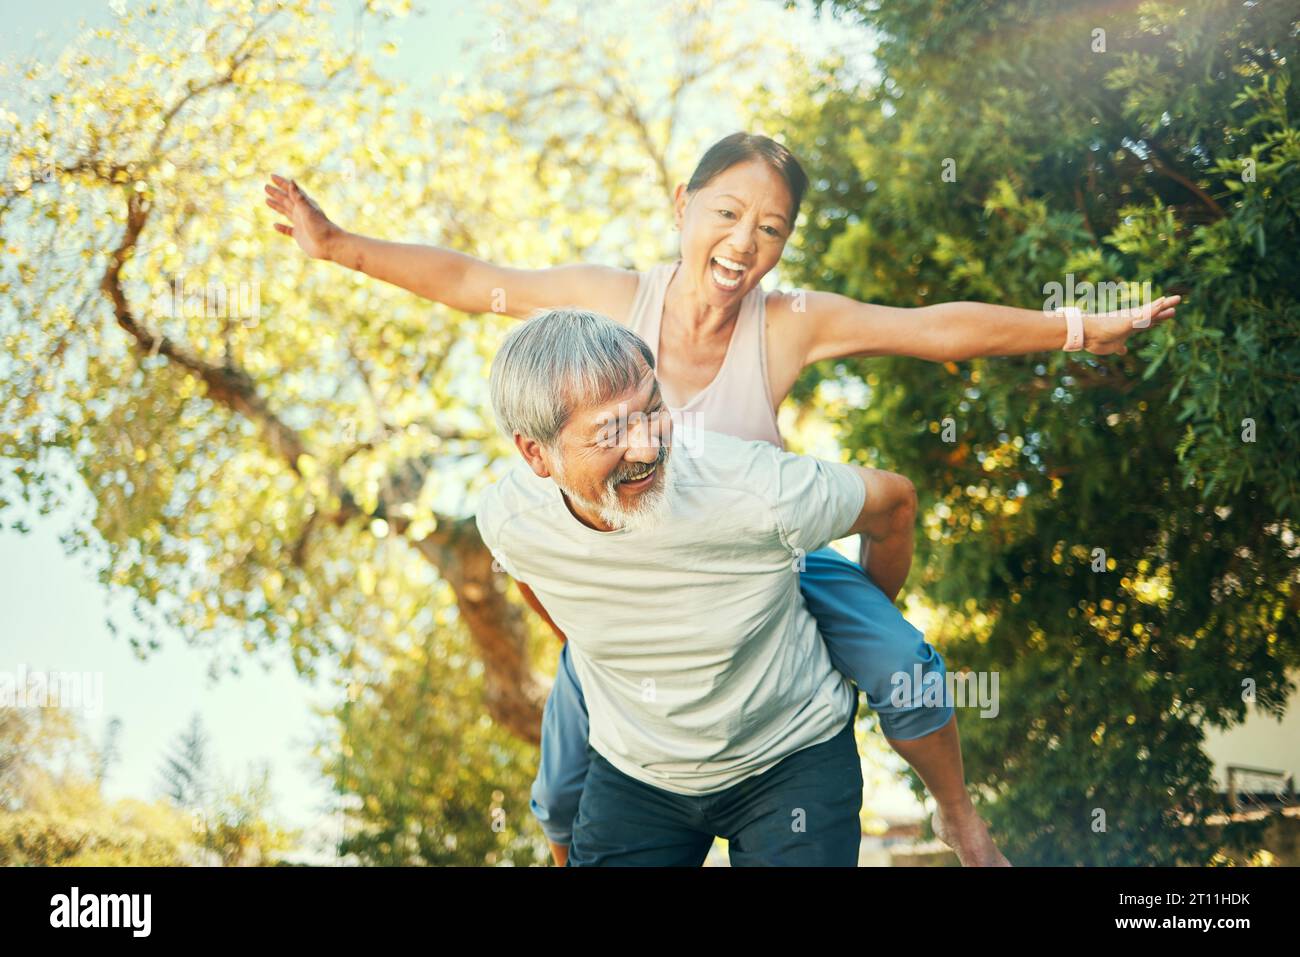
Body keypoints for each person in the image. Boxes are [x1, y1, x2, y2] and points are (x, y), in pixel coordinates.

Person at [264, 131, 1175, 865]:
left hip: (764, 558)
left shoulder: (791, 322)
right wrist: (336, 246)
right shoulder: (612, 300)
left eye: (771, 229)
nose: (745, 243)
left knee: (905, 664)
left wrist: (1077, 328)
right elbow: (472, 282)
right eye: (728, 213)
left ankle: (960, 822)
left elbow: (934, 333)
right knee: (562, 779)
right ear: (682, 209)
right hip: (635, 572)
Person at [478, 307, 945, 865]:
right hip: (638, 775)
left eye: (653, 410)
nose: (648, 448)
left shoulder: (760, 491)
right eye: (610, 432)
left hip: (793, 757)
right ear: (536, 453)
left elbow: (894, 502)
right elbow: (535, 580)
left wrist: (858, 622)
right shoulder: (508, 519)